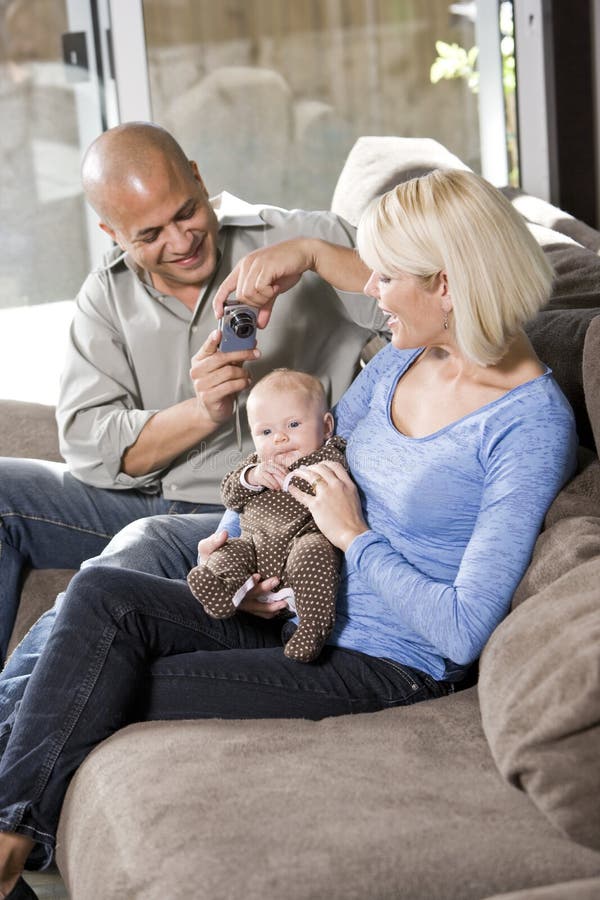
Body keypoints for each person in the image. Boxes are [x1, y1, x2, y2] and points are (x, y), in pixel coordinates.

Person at [0, 168, 578, 898]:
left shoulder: (527, 424)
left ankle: (6, 855)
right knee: (101, 599)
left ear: (445, 286)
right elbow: (299, 465)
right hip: (292, 607)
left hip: (381, 660)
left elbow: (462, 632)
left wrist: (354, 536)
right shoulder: (406, 358)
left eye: (387, 275)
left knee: (96, 683)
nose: (372, 290)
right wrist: (238, 549)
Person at [0, 122, 382, 728]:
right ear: (112, 233)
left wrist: (314, 257)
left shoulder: (298, 239)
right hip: (152, 494)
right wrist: (201, 412)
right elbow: (88, 447)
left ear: (199, 179)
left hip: (265, 509)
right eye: (149, 234)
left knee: (142, 542)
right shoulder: (106, 297)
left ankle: (7, 725)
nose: (181, 241)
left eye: (186, 213)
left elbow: (428, 302)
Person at [188, 368, 347, 662]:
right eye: (266, 432)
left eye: (294, 424)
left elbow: (333, 483)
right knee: (228, 550)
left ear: (326, 426)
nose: (280, 438)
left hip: (302, 541)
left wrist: (292, 478)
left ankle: (312, 628)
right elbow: (229, 494)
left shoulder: (328, 455)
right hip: (253, 548)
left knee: (316, 554)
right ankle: (222, 589)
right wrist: (251, 476)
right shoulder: (256, 465)